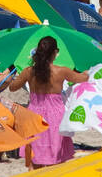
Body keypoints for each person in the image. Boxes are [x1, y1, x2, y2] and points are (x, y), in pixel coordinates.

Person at [8, 36, 85, 168]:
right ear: (55, 52)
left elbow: (12, 87)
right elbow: (82, 78)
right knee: (56, 159)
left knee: (34, 158)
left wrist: (13, 76)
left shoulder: (29, 71)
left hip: (34, 114)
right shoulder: (61, 71)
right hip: (56, 116)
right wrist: (89, 71)